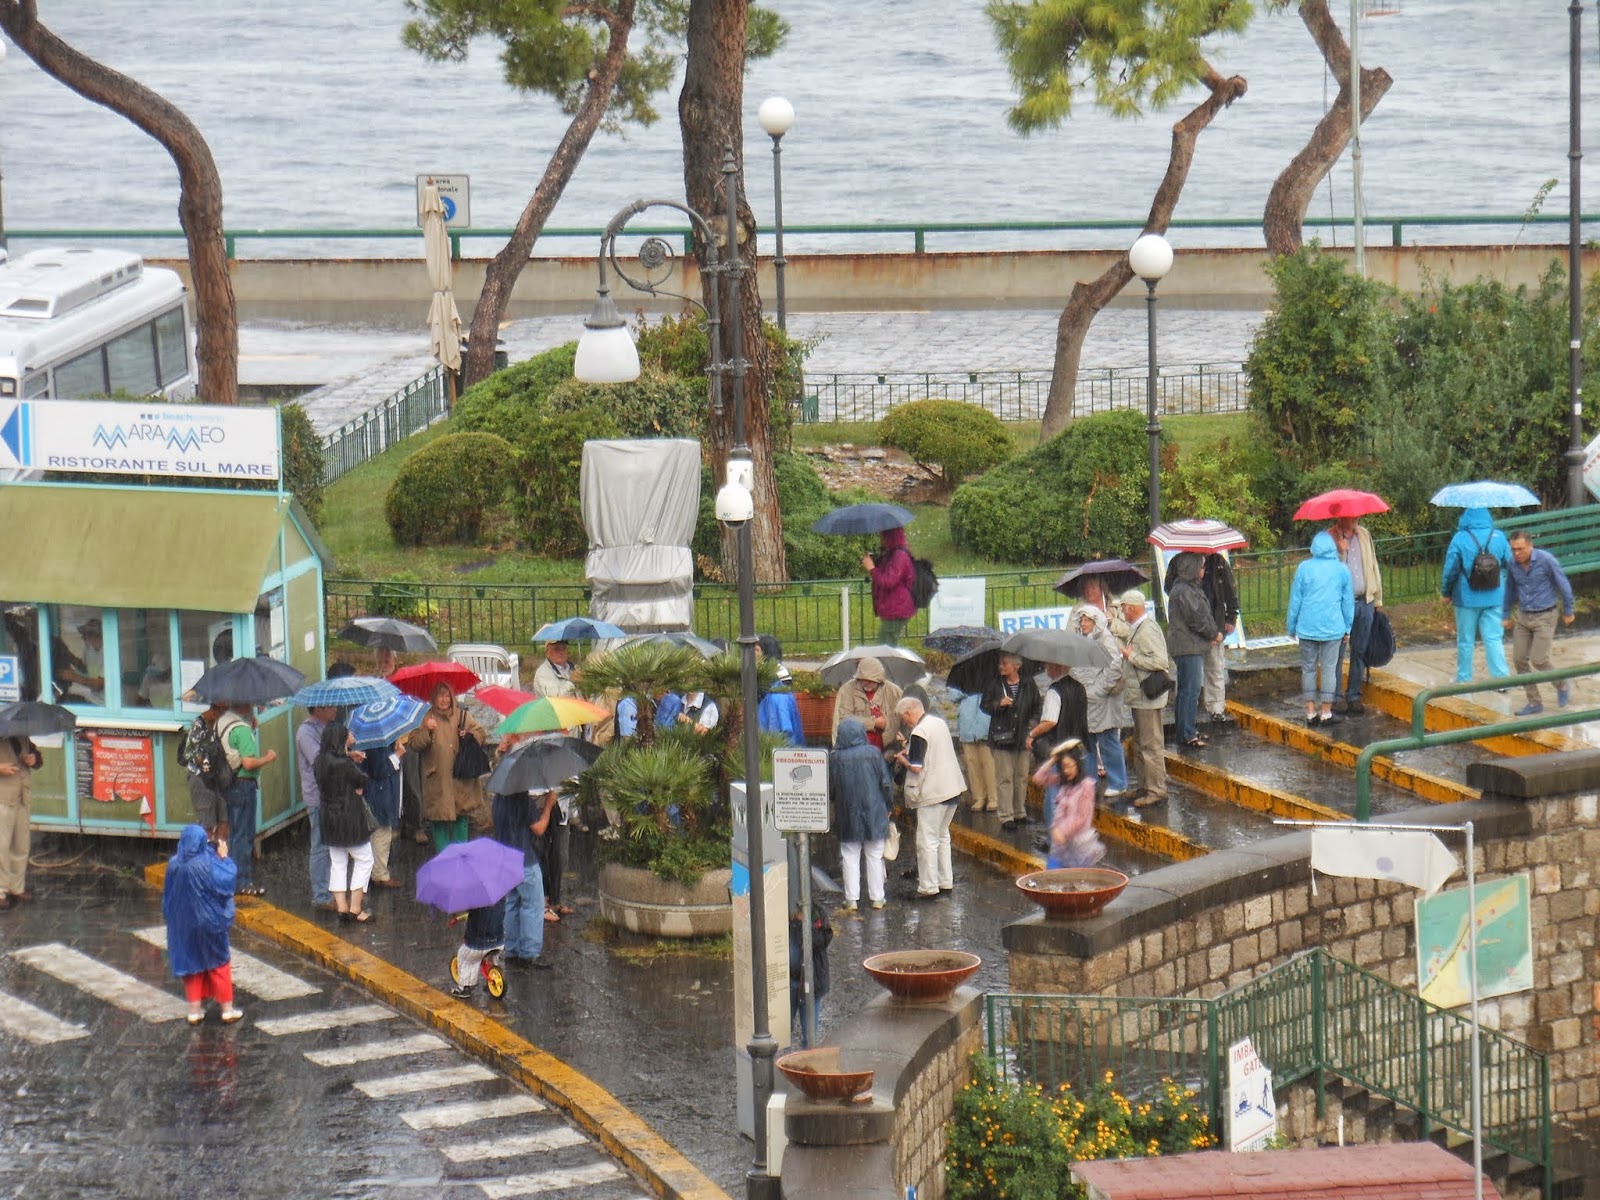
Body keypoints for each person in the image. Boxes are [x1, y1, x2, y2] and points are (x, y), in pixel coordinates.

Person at [163, 824, 243, 1025]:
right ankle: (227, 1009)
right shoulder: (207, 863)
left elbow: (168, 896)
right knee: (219, 963)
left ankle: (194, 1011)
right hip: (209, 923)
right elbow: (227, 879)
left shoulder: (173, 865)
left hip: (184, 925)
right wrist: (224, 857)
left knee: (192, 967)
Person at [893, 695, 966, 900]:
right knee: (942, 837)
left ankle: (928, 887)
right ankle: (945, 882)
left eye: (903, 718)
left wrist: (902, 759)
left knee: (927, 841)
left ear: (908, 712)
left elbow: (916, 765)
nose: (904, 722)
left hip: (932, 793)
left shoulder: (920, 731)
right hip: (952, 788)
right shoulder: (939, 722)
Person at [407, 682, 489, 851]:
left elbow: (481, 734)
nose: (444, 700)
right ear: (433, 698)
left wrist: (469, 736)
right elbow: (414, 744)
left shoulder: (463, 716)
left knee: (461, 819)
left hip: (459, 778)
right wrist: (427, 731)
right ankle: (443, 862)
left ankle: (462, 858)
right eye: (440, 695)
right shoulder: (426, 718)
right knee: (439, 822)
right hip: (437, 780)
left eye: (447, 695)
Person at [1503, 530, 1576, 714]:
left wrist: (1568, 610)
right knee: (1519, 660)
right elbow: (1510, 590)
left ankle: (1562, 684)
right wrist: (1505, 613)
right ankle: (1534, 702)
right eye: (1513, 550)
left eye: (1520, 549)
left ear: (1530, 546)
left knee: (1539, 659)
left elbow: (1563, 584)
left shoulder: (1546, 560)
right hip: (1524, 616)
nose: (1516, 553)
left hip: (1545, 615)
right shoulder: (1513, 564)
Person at [1287, 529, 1355, 728]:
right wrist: (1347, 628)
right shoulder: (1342, 569)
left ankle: (1310, 711)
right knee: (1329, 670)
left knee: (1308, 669)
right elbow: (1347, 602)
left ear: (1314, 548)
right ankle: (1326, 712)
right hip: (1333, 629)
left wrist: (1292, 626)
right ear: (1333, 548)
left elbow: (1295, 600)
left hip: (1307, 628)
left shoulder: (1303, 568)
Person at [491, 768, 555, 970]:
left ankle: (512, 950)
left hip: (504, 858)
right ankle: (529, 953)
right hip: (524, 858)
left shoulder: (498, 800)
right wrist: (548, 806)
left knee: (512, 903)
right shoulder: (522, 799)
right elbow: (539, 828)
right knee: (533, 905)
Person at [1440, 507, 1513, 684]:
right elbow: (1511, 564)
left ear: (1465, 518)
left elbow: (1451, 569)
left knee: (1466, 640)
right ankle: (1501, 680)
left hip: (1467, 598)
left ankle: (1464, 678)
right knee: (1494, 639)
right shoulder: (1499, 536)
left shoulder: (1460, 538)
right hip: (1495, 596)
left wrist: (1446, 592)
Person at [314, 720, 377, 924]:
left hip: (328, 817)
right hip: (349, 817)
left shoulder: (319, 761)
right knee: (365, 858)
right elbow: (362, 780)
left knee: (338, 862)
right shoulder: (344, 764)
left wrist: (348, 754)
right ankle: (356, 907)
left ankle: (341, 907)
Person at [830, 717, 894, 912]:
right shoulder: (874, 754)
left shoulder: (835, 757)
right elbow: (885, 783)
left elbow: (831, 788)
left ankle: (851, 899)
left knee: (850, 855)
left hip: (846, 812)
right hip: (874, 810)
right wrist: (889, 804)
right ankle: (877, 897)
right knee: (874, 854)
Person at [1117, 589, 1171, 809]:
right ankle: (1144, 786)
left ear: (1131, 608)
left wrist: (1132, 657)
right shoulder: (1139, 627)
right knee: (1140, 743)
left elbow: (1160, 661)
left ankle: (1156, 790)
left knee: (1150, 745)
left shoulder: (1147, 629)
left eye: (1123, 608)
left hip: (1147, 697)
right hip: (1140, 697)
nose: (1122, 612)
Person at [1069, 607, 1129, 801]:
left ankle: (1118, 782)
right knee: (1088, 744)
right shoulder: (1081, 640)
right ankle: (1090, 781)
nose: (1083, 624)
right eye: (1082, 620)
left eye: (1087, 620)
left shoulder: (1106, 639)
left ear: (1096, 621)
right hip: (1087, 700)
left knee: (1108, 741)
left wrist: (1098, 690)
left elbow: (1114, 668)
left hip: (1104, 702)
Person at [1163, 553, 1221, 750]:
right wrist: (1214, 633)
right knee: (1191, 690)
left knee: (1187, 691)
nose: (1203, 571)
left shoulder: (1185, 588)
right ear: (1192, 568)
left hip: (1188, 645)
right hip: (1188, 647)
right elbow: (1197, 617)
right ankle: (1186, 733)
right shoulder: (1184, 591)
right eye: (1201, 567)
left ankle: (1187, 729)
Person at [217, 704, 276, 897]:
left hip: (228, 785)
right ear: (244, 705)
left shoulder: (222, 721)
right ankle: (242, 882)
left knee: (234, 834)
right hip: (243, 785)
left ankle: (230, 878)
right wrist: (268, 757)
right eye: (251, 703)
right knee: (244, 835)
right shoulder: (241, 730)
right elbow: (248, 763)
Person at [1329, 515, 1384, 715]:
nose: (1356, 518)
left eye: (1357, 515)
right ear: (1341, 517)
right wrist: (1340, 552)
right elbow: (1329, 572)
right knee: (1337, 652)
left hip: (1365, 601)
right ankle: (1335, 698)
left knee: (1359, 650)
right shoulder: (1330, 537)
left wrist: (1377, 599)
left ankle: (1353, 695)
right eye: (1351, 516)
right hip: (1342, 604)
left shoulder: (1364, 535)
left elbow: (1373, 566)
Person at [981, 652, 1041, 831]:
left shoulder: (1028, 683)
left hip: (1023, 736)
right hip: (1002, 738)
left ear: (1017, 666)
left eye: (1005, 664)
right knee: (1004, 777)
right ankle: (1006, 816)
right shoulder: (995, 684)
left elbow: (1037, 706)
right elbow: (985, 705)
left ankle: (1019, 812)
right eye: (1000, 664)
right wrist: (999, 704)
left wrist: (1032, 726)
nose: (1001, 667)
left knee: (1021, 777)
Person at [1032, 739, 1104, 869]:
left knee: (1076, 882)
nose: (1067, 771)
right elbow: (1038, 778)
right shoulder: (1062, 781)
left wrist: (1062, 831)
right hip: (1059, 846)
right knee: (1053, 879)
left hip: (1078, 846)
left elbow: (1082, 817)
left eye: (1070, 766)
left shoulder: (1086, 785)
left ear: (1078, 765)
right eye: (1064, 767)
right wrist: (1053, 760)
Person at [296, 703, 338, 911]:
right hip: (317, 796)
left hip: (331, 794)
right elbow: (319, 761)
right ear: (319, 709)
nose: (335, 709)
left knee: (330, 844)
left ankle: (330, 889)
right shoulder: (306, 732)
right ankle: (321, 896)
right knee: (320, 845)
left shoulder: (326, 728)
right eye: (330, 706)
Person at [0, 732, 41, 909]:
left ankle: (16, 887)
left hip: (21, 796)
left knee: (20, 844)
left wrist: (34, 759)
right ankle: (0, 890)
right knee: (1, 846)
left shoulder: (21, 735)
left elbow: (37, 758)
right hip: (2, 797)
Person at [179, 703, 231, 843]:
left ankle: (221, 855)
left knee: (224, 818)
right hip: (201, 778)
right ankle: (204, 855)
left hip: (219, 778)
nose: (220, 714)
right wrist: (203, 760)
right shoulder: (198, 725)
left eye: (223, 711)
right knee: (206, 822)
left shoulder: (220, 726)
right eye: (218, 711)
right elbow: (189, 753)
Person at [831, 656, 903, 754]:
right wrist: (874, 723)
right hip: (855, 750)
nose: (867, 683)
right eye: (863, 679)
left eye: (871, 681)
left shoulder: (894, 692)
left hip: (887, 750)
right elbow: (844, 720)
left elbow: (903, 718)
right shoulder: (847, 690)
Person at [861, 527, 916, 646]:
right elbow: (885, 573)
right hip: (892, 608)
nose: (882, 539)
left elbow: (888, 581)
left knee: (883, 648)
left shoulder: (899, 555)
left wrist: (871, 568)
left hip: (896, 608)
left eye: (884, 536)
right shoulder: (891, 554)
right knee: (889, 646)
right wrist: (876, 562)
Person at [789, 900, 833, 1046]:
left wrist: (805, 924)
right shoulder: (778, 913)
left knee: (810, 1037)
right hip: (786, 982)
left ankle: (807, 1064)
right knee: (780, 1033)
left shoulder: (817, 913)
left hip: (812, 981)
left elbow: (823, 940)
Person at [363, 737, 405, 889]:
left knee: (378, 835)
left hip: (381, 793)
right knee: (382, 833)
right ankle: (379, 874)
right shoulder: (376, 743)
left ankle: (374, 872)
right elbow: (379, 769)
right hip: (380, 794)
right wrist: (397, 755)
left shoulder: (376, 740)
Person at [449, 897, 507, 999]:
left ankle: (464, 987)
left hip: (478, 943)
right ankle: (492, 973)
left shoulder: (475, 900)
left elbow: (468, 911)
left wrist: (455, 916)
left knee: (465, 957)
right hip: (498, 941)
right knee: (492, 954)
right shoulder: (500, 898)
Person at [953, 689, 995, 813]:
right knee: (972, 763)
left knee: (989, 763)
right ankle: (979, 797)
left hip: (986, 723)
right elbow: (953, 695)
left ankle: (993, 797)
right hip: (967, 723)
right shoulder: (961, 673)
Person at [58, 616, 105, 705]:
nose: (82, 638)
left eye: (85, 635)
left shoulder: (108, 653)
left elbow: (99, 684)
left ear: (95, 636)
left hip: (105, 705)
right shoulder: (89, 648)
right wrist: (69, 657)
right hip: (93, 699)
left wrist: (73, 677)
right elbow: (87, 670)